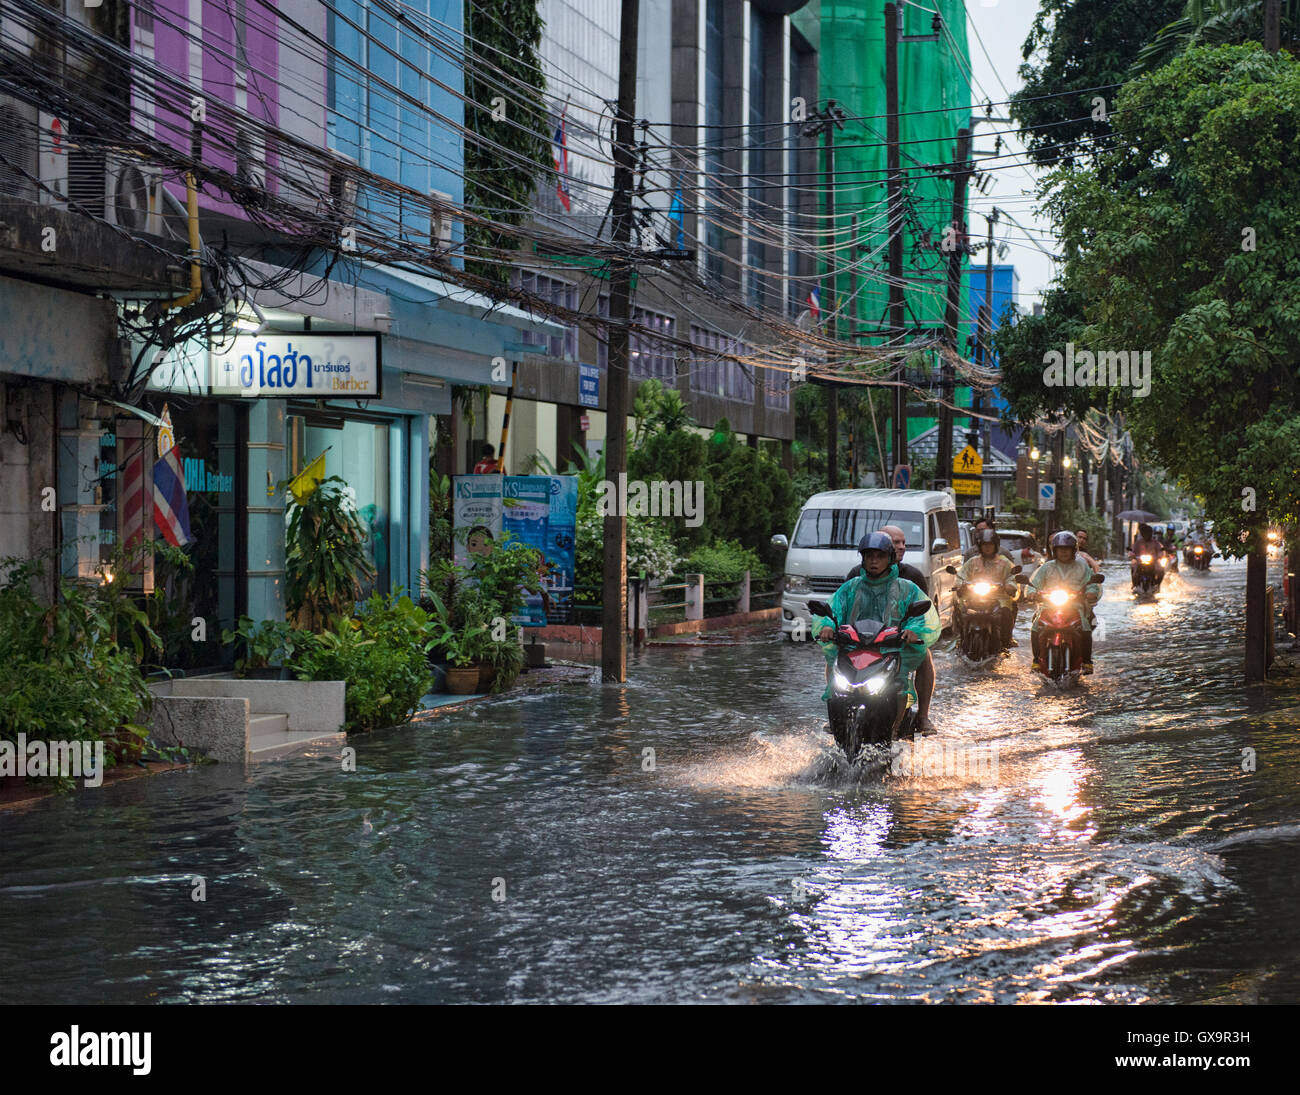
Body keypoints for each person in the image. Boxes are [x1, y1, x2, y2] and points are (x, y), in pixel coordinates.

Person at [816, 531, 941, 732]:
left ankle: (900, 726)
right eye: (869, 556)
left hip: (892, 648)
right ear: (863, 558)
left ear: (890, 558)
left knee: (902, 682)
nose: (874, 561)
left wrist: (912, 630)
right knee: (833, 660)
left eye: (879, 556)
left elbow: (921, 614)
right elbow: (835, 608)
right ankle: (835, 719)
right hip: (854, 647)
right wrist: (828, 625)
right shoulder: (851, 586)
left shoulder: (907, 586)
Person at [1028, 531, 1102, 674]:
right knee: (1036, 626)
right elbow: (1033, 583)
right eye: (1060, 549)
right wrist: (1031, 593)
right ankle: (1036, 660)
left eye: (1067, 549)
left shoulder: (1082, 566)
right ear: (1054, 550)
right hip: (1048, 606)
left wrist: (1091, 592)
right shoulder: (1046, 567)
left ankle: (1087, 661)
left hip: (1075, 607)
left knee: (1085, 626)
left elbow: (1092, 583)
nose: (1064, 552)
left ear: (1073, 550)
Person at [953, 527, 1019, 650]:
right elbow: (961, 576)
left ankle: (1005, 642)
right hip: (974, 597)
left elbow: (1012, 579)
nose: (987, 547)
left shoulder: (1005, 563)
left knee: (1006, 612)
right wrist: (959, 585)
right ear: (979, 546)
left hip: (999, 599)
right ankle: (961, 638)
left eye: (990, 545)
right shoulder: (972, 562)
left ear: (996, 546)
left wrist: (1009, 586)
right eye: (984, 545)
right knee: (959, 609)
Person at [1128, 522, 1165, 588]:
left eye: (1148, 533)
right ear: (1143, 534)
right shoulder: (1138, 542)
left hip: (1153, 562)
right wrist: (1132, 555)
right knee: (1133, 569)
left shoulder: (1155, 543)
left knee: (1161, 571)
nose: (1147, 535)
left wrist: (1160, 555)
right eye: (1145, 533)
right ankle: (1134, 584)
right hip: (1140, 561)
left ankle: (1157, 585)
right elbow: (1132, 550)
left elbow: (1160, 550)